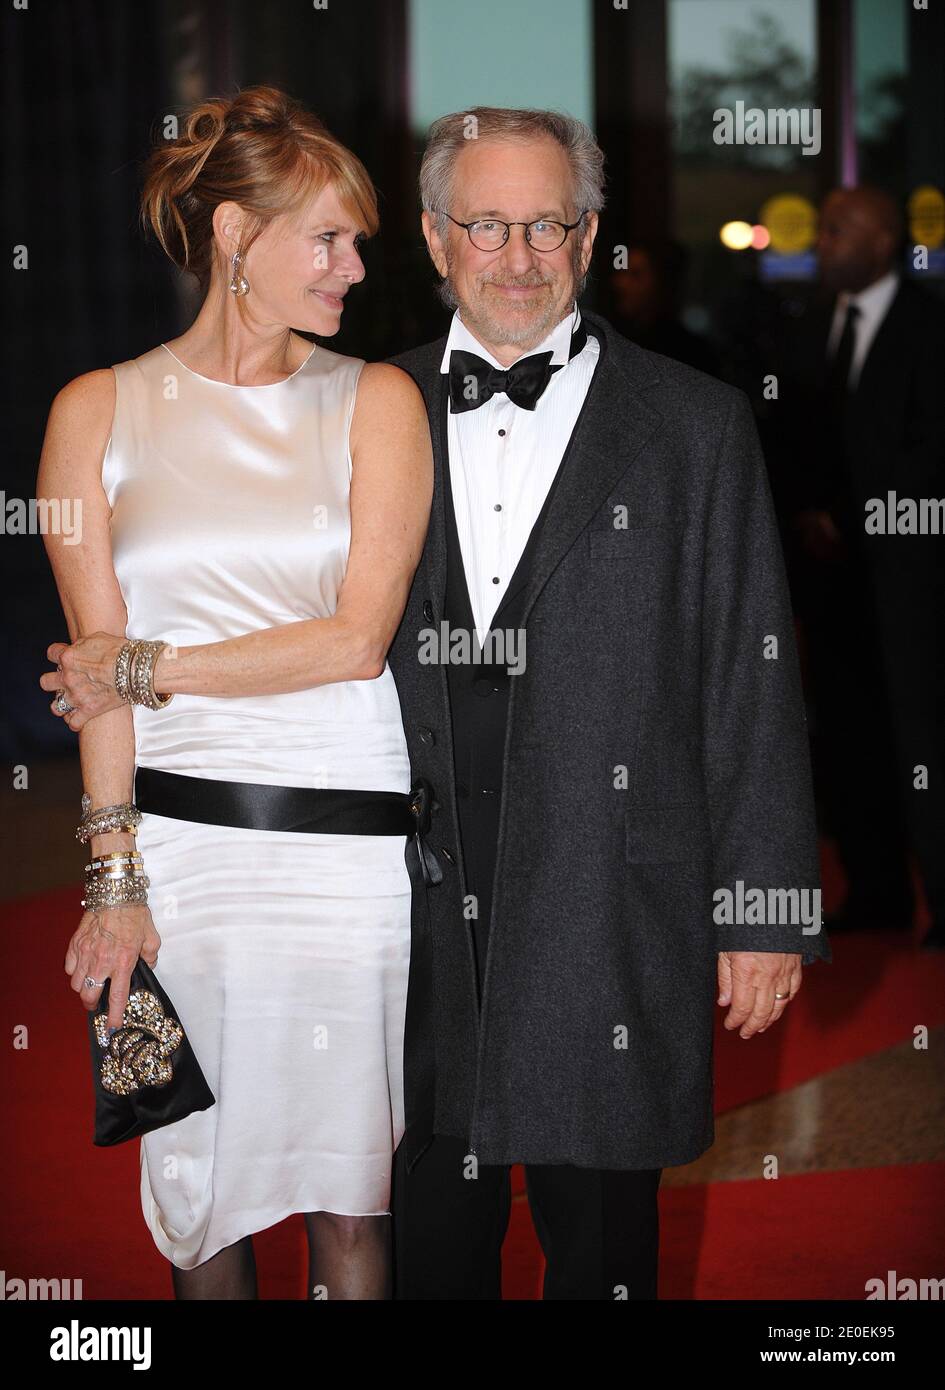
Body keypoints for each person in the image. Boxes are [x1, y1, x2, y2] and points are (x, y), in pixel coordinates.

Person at [383, 106, 831, 1300]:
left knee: (601, 1250)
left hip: (610, 904)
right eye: (486, 223)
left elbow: (754, 671)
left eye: (549, 224)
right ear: (435, 237)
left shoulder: (695, 426)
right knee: (427, 1231)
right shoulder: (366, 412)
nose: (518, 255)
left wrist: (767, 908)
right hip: (410, 905)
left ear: (590, 240)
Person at [36, 86, 433, 1299]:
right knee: (196, 1202)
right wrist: (113, 879)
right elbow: (88, 668)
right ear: (233, 237)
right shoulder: (93, 410)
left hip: (342, 859)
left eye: (358, 240)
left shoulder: (379, 402)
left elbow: (356, 639)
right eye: (328, 237)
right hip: (183, 865)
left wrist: (150, 666)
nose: (356, 267)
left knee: (349, 1198)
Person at [773, 186, 945, 946]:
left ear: (881, 243)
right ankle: (874, 894)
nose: (822, 244)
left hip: (911, 580)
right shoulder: (807, 329)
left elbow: (930, 450)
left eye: (837, 230)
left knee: (921, 741)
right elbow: (784, 435)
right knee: (846, 737)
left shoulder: (930, 327)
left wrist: (852, 515)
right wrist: (808, 517)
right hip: (827, 577)